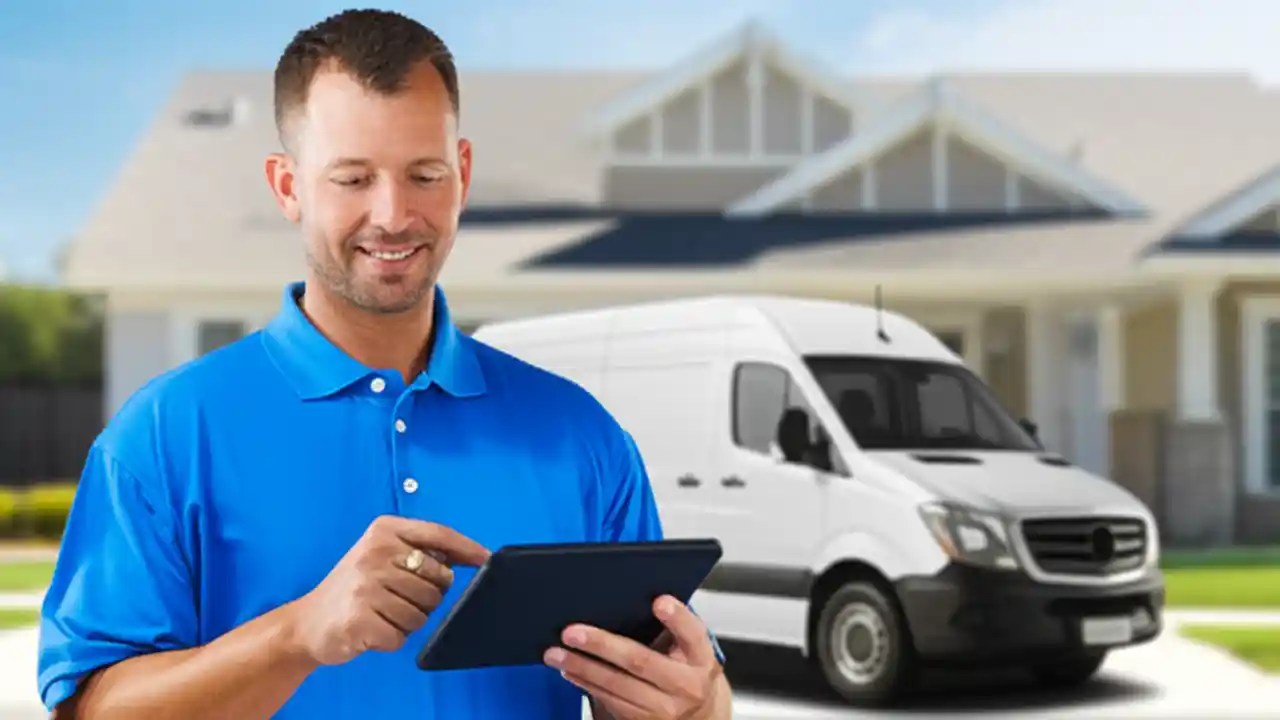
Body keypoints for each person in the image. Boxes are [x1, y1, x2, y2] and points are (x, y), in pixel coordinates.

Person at [36, 8, 732, 719]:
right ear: (288, 187)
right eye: (353, 178)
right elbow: (90, 709)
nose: (394, 214)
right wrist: (298, 633)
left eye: (423, 174)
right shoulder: (163, 436)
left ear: (462, 173)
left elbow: (685, 684)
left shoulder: (580, 435)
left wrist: (696, 705)